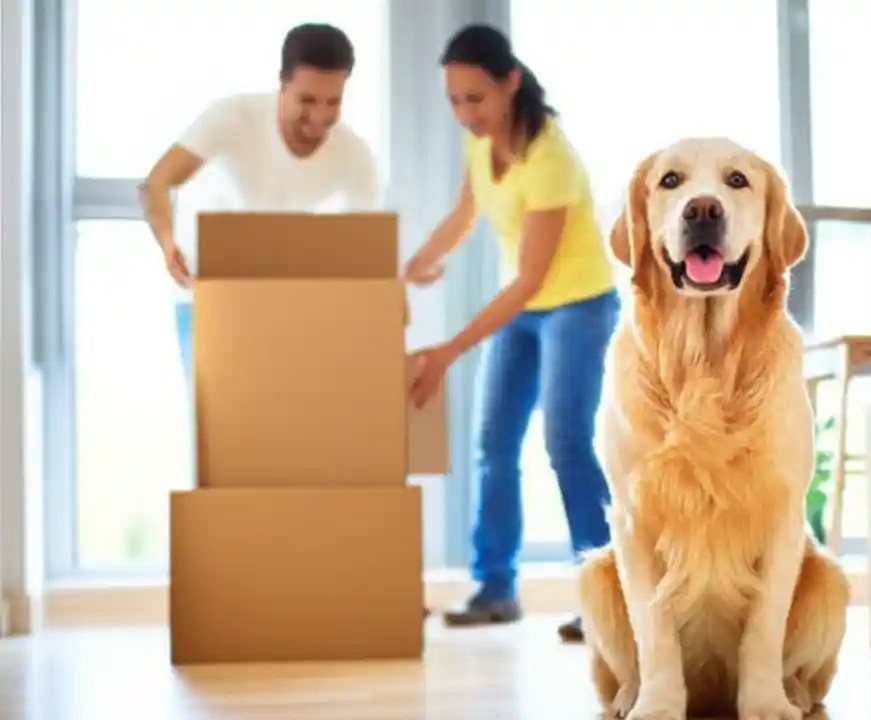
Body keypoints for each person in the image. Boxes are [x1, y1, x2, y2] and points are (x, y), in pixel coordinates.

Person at [404, 24, 619, 643]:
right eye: (454, 100)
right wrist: (418, 262)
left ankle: (606, 594)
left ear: (510, 83)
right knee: (493, 445)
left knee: (566, 444)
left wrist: (447, 352)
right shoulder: (481, 144)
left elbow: (528, 281)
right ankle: (495, 587)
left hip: (576, 307)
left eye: (475, 98)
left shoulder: (551, 157)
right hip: (526, 312)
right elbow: (465, 213)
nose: (464, 113)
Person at [139, 22, 383, 391]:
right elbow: (157, 183)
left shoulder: (354, 154)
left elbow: (366, 253)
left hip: (287, 306)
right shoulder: (231, 118)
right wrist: (168, 241)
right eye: (307, 100)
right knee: (213, 427)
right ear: (282, 84)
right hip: (207, 298)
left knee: (279, 430)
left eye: (333, 101)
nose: (319, 117)